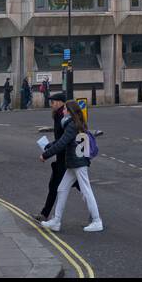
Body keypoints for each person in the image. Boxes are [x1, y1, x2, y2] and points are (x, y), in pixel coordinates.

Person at [40, 99, 103, 233]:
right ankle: (56, 221)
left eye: (64, 109)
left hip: (78, 164)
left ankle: (97, 221)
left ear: (69, 112)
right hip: (74, 163)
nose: (62, 111)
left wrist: (45, 155)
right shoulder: (74, 124)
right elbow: (62, 142)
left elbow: (62, 143)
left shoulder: (71, 125)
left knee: (86, 191)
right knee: (62, 189)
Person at [37, 90, 79, 223]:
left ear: (61, 103)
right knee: (71, 186)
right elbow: (60, 139)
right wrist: (50, 144)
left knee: (57, 186)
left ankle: (47, 216)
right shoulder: (58, 115)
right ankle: (48, 216)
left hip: (66, 159)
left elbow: (64, 140)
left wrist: (46, 153)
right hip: (63, 158)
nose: (51, 104)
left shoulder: (63, 117)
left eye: (53, 102)